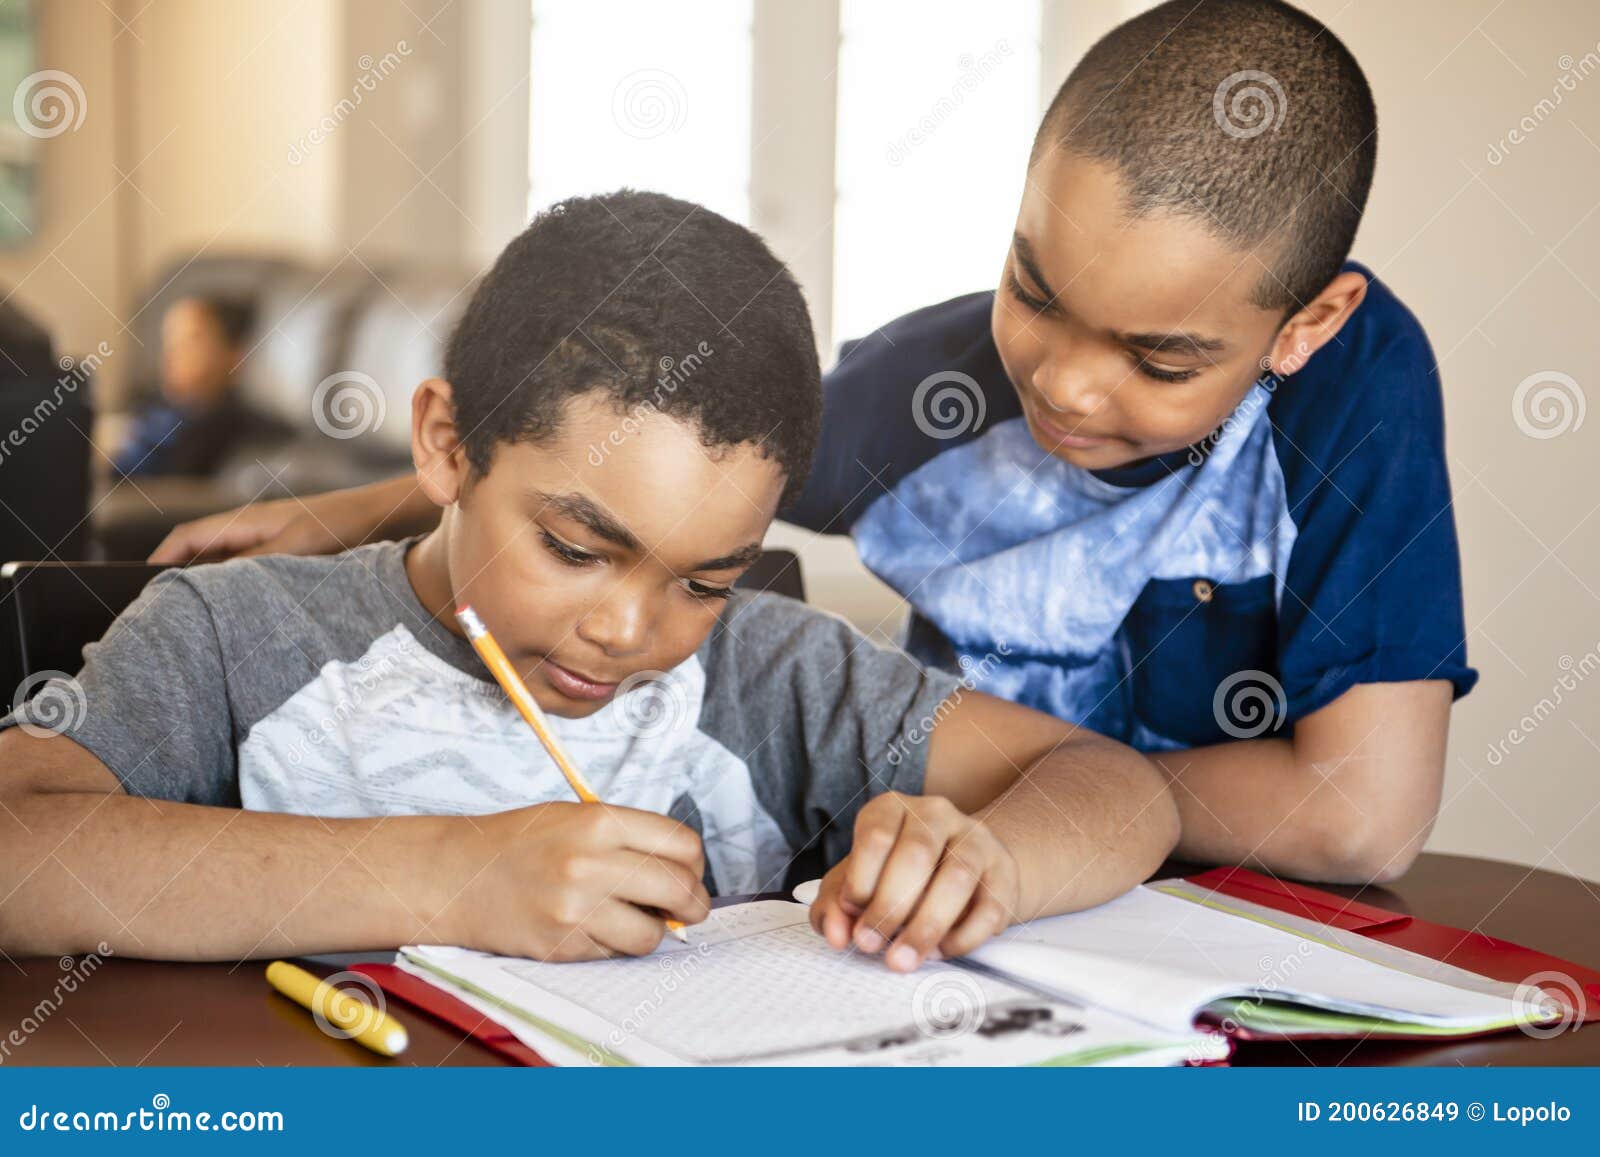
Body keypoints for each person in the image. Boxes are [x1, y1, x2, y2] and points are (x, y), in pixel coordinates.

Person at [148, 0, 1473, 887]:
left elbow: (1359, 817)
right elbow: (640, 473)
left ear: (1306, 323)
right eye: (1034, 289)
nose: (1062, 384)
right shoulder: (927, 388)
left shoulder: (1354, 393)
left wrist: (1056, 813)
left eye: (1160, 359)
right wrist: (358, 508)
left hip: (1140, 899)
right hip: (933, 896)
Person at [0, 191, 1178, 969]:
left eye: (703, 580)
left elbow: (1116, 785)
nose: (626, 628)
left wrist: (989, 863)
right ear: (447, 445)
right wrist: (450, 874)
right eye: (573, 548)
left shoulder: (773, 671)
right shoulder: (240, 635)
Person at [114, 295, 293, 477]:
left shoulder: (247, 431)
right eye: (169, 342)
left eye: (190, 342)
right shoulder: (149, 411)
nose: (171, 355)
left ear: (234, 357)